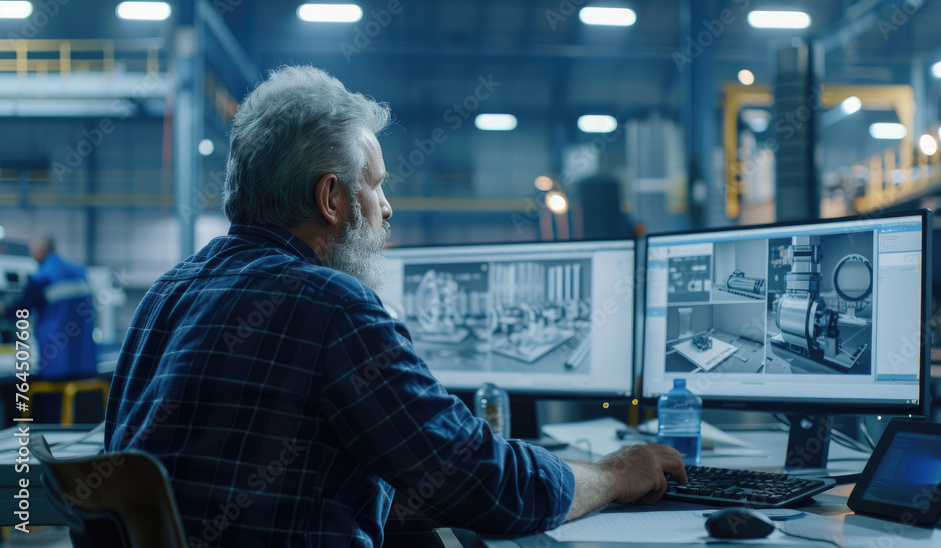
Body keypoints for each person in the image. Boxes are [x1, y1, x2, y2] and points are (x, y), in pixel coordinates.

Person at [105, 65, 686, 547]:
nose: (386, 208)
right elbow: (479, 481)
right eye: (377, 184)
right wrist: (614, 475)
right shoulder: (330, 304)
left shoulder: (168, 292)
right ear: (330, 198)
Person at [1, 237, 98, 381]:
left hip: (57, 365)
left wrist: (3, 310)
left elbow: (19, 308)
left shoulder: (42, 277)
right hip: (86, 363)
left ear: (40, 250)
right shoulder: (79, 272)